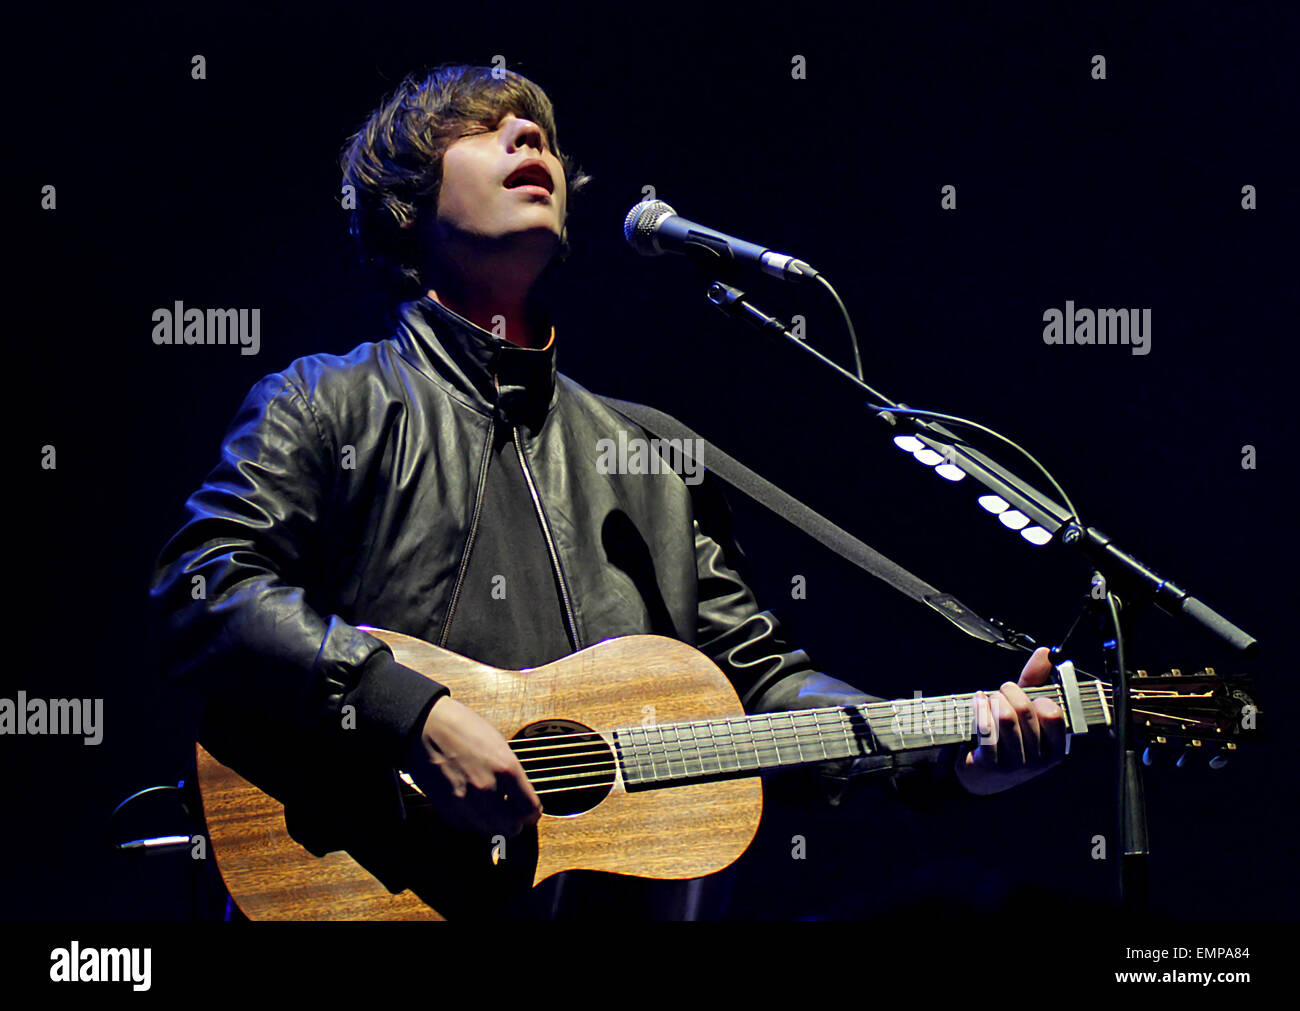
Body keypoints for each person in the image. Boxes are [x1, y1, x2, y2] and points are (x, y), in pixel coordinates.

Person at [150, 63, 1065, 920]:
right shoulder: (326, 402)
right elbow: (208, 587)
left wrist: (954, 752)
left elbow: (756, 689)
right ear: (406, 205)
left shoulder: (646, 451)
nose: (527, 139)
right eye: (484, 129)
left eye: (541, 134)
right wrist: (410, 713)